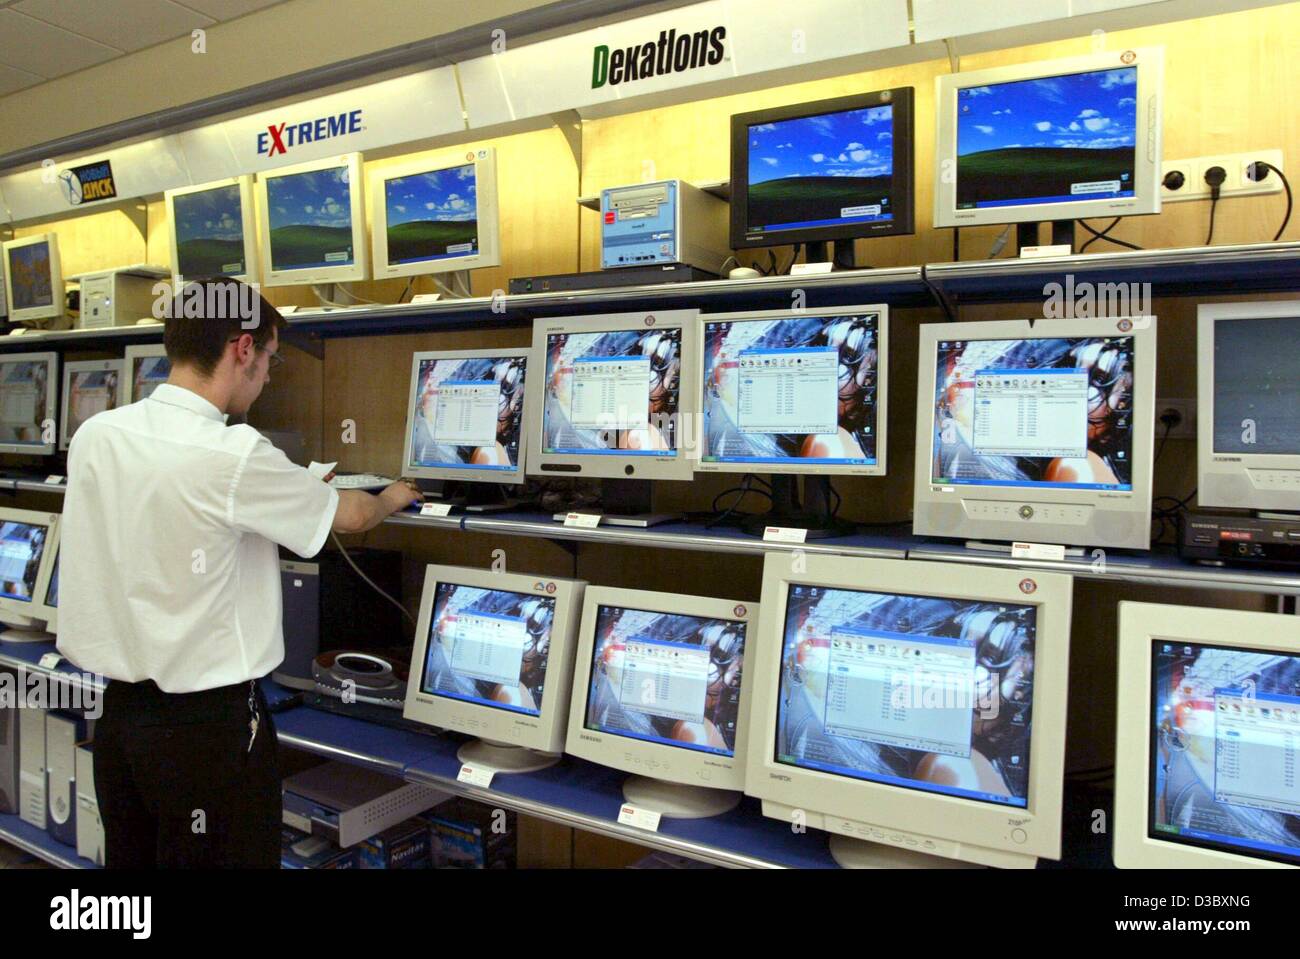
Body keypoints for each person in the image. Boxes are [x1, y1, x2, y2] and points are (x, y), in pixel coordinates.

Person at [57, 277, 423, 868]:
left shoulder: (98, 435)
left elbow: (170, 518)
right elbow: (351, 517)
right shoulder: (236, 453)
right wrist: (394, 497)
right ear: (243, 348)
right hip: (209, 731)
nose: (269, 376)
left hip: (121, 721)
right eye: (271, 359)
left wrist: (289, 490)